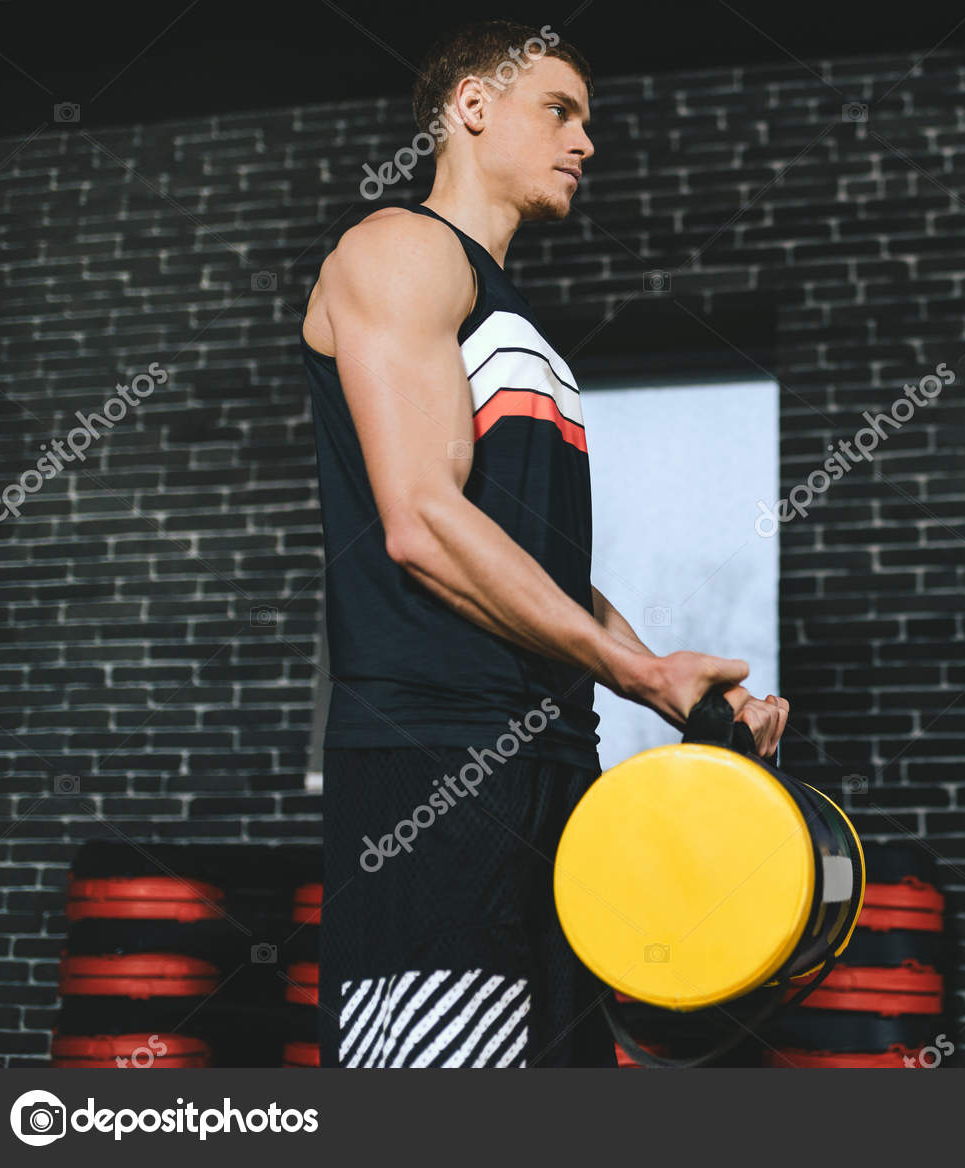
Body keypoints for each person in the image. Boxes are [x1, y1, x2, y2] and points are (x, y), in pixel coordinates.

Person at [299, 19, 788, 1068]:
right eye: (558, 111)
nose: (586, 142)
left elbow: (538, 564)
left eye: (587, 121)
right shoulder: (399, 249)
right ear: (472, 106)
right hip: (437, 764)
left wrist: (670, 687)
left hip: (556, 766)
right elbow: (423, 523)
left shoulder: (520, 322)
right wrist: (631, 667)